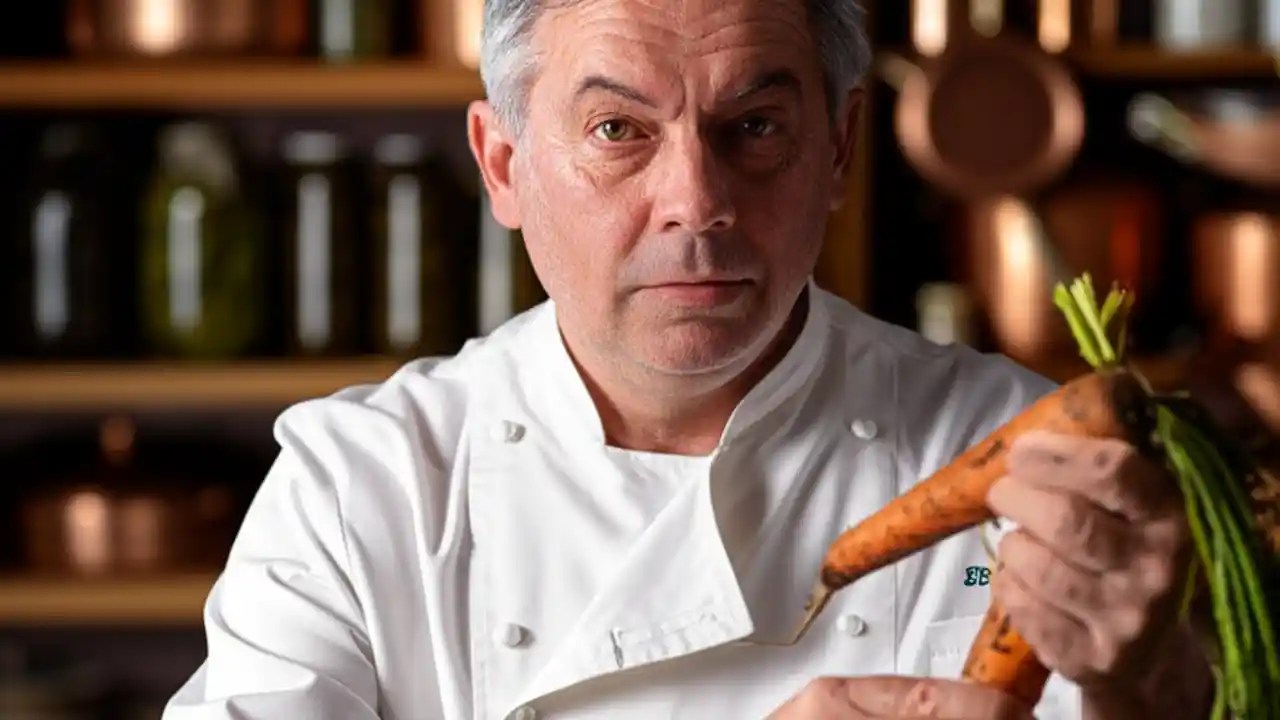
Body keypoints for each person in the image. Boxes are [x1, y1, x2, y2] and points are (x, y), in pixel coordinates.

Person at [162, 0, 1216, 718]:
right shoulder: (364, 484)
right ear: (504, 165)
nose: (697, 204)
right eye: (618, 129)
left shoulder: (1027, 459)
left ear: (839, 147)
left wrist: (1146, 689)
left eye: (753, 126)